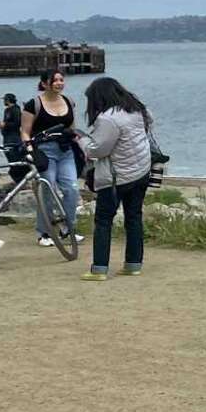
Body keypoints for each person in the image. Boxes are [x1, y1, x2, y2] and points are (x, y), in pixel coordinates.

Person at [77, 76, 154, 280]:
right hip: (141, 171)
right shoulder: (137, 109)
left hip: (116, 177)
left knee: (103, 221)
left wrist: (82, 140)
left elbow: (98, 150)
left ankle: (99, 268)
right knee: (134, 217)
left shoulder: (107, 118)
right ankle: (133, 264)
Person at [20, 70, 81, 245]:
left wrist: (77, 140)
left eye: (61, 80)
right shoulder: (34, 104)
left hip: (66, 150)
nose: (59, 83)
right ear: (45, 83)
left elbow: (71, 127)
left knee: (72, 189)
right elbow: (25, 131)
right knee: (48, 189)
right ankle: (44, 233)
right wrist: (29, 149)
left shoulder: (69, 101)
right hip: (44, 151)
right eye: (55, 80)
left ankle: (67, 229)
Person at [0, 92, 29, 186]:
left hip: (14, 138)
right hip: (7, 137)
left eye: (5, 100)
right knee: (10, 157)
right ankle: (19, 180)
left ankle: (21, 180)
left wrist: (5, 125)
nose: (4, 101)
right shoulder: (7, 110)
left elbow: (17, 123)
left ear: (8, 100)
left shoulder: (15, 110)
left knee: (15, 158)